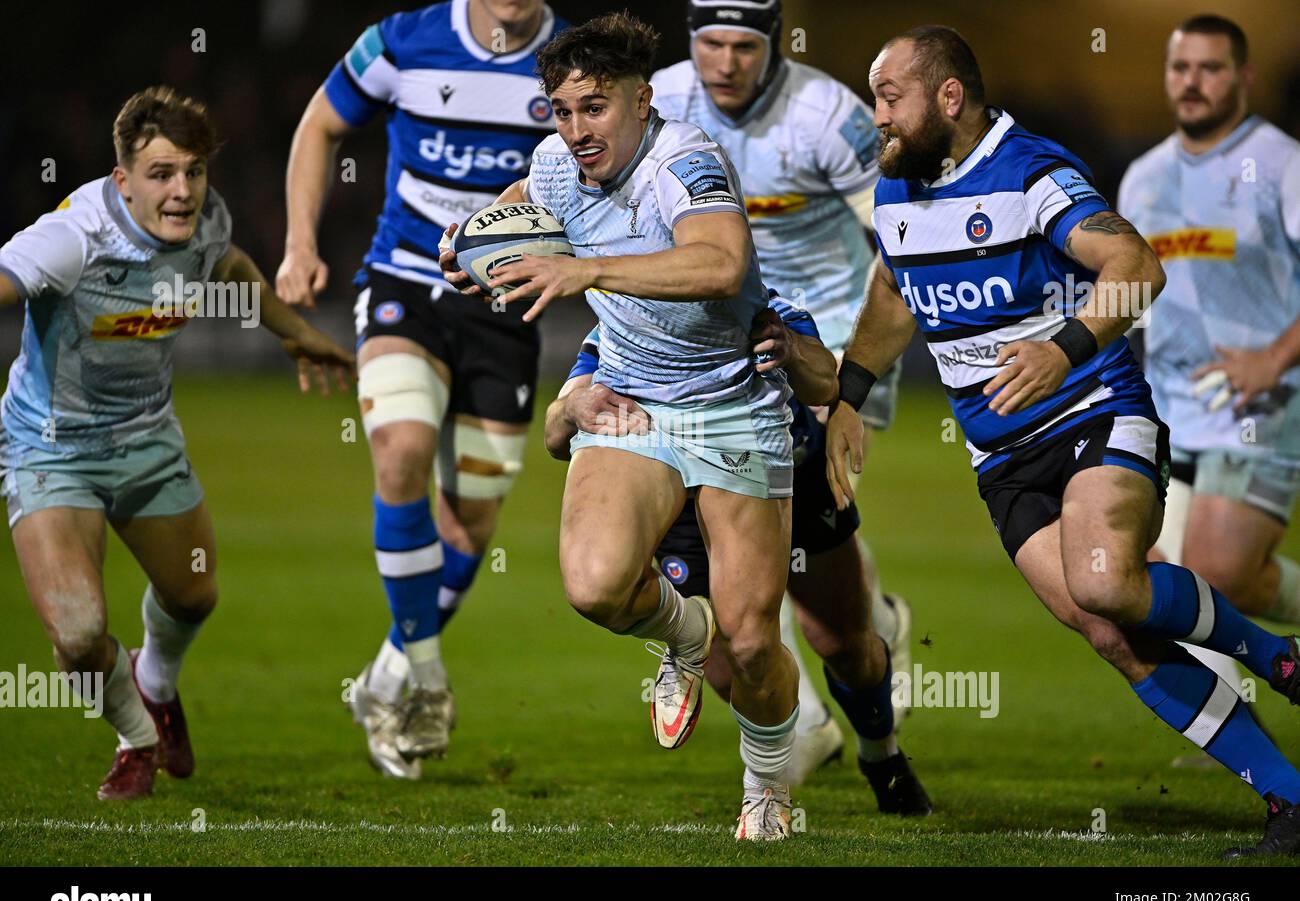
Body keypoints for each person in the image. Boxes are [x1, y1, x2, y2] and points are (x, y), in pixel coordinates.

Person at [826, 25, 1300, 858]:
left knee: (1105, 582)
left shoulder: (1031, 172)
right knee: (1111, 631)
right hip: (1001, 461)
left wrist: (1063, 350)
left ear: (948, 97)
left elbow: (1137, 268)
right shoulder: (898, 185)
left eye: (889, 97)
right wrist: (847, 395)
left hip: (1094, 415)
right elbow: (894, 292)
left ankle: (1276, 656)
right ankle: (1290, 799)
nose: (877, 117)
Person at [440, 12, 805, 840]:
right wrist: (469, 250)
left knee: (751, 646)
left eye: (595, 108)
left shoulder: (687, 161)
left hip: (732, 402)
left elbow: (721, 263)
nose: (577, 130)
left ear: (642, 100)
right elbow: (513, 213)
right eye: (563, 111)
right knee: (596, 586)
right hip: (630, 396)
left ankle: (766, 786)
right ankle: (683, 630)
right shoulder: (556, 166)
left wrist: (586, 267)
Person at [0, 86, 354, 800]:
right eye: (161, 174)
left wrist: (295, 335)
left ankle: (155, 681)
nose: (182, 190)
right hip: (52, 448)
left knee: (193, 596)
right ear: (121, 178)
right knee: (76, 635)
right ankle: (136, 737)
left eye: (193, 171)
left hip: (148, 440)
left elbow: (227, 267)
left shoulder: (202, 222)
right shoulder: (70, 240)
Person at [276, 0, 565, 778]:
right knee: (400, 449)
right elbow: (318, 128)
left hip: (505, 304)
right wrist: (300, 241)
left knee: (471, 514)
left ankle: (389, 674)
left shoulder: (573, 61)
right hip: (404, 280)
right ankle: (426, 679)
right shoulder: (403, 40)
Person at [545, 289, 932, 816]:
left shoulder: (761, 308)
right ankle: (765, 781)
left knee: (843, 642)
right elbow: (554, 430)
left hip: (790, 477)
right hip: (684, 506)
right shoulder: (625, 328)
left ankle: (881, 755)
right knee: (736, 664)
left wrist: (791, 348)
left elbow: (825, 380)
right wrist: (572, 408)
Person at [651, 0, 912, 779]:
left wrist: (852, 371)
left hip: (824, 330)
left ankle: (809, 697)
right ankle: (853, 635)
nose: (725, 62)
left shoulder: (829, 115)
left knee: (765, 506)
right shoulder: (656, 101)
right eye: (710, 44)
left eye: (743, 45)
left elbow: (895, 239)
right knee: (760, 514)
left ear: (772, 45)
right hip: (721, 327)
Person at [1119, 16, 1300, 735]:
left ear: (1244, 78)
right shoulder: (1144, 177)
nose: (1192, 82)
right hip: (1167, 409)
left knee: (1220, 568)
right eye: (1180, 67)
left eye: (1211, 68)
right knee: (1151, 575)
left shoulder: (1280, 162)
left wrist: (1271, 359)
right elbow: (1128, 291)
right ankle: (1227, 726)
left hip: (1261, 403)